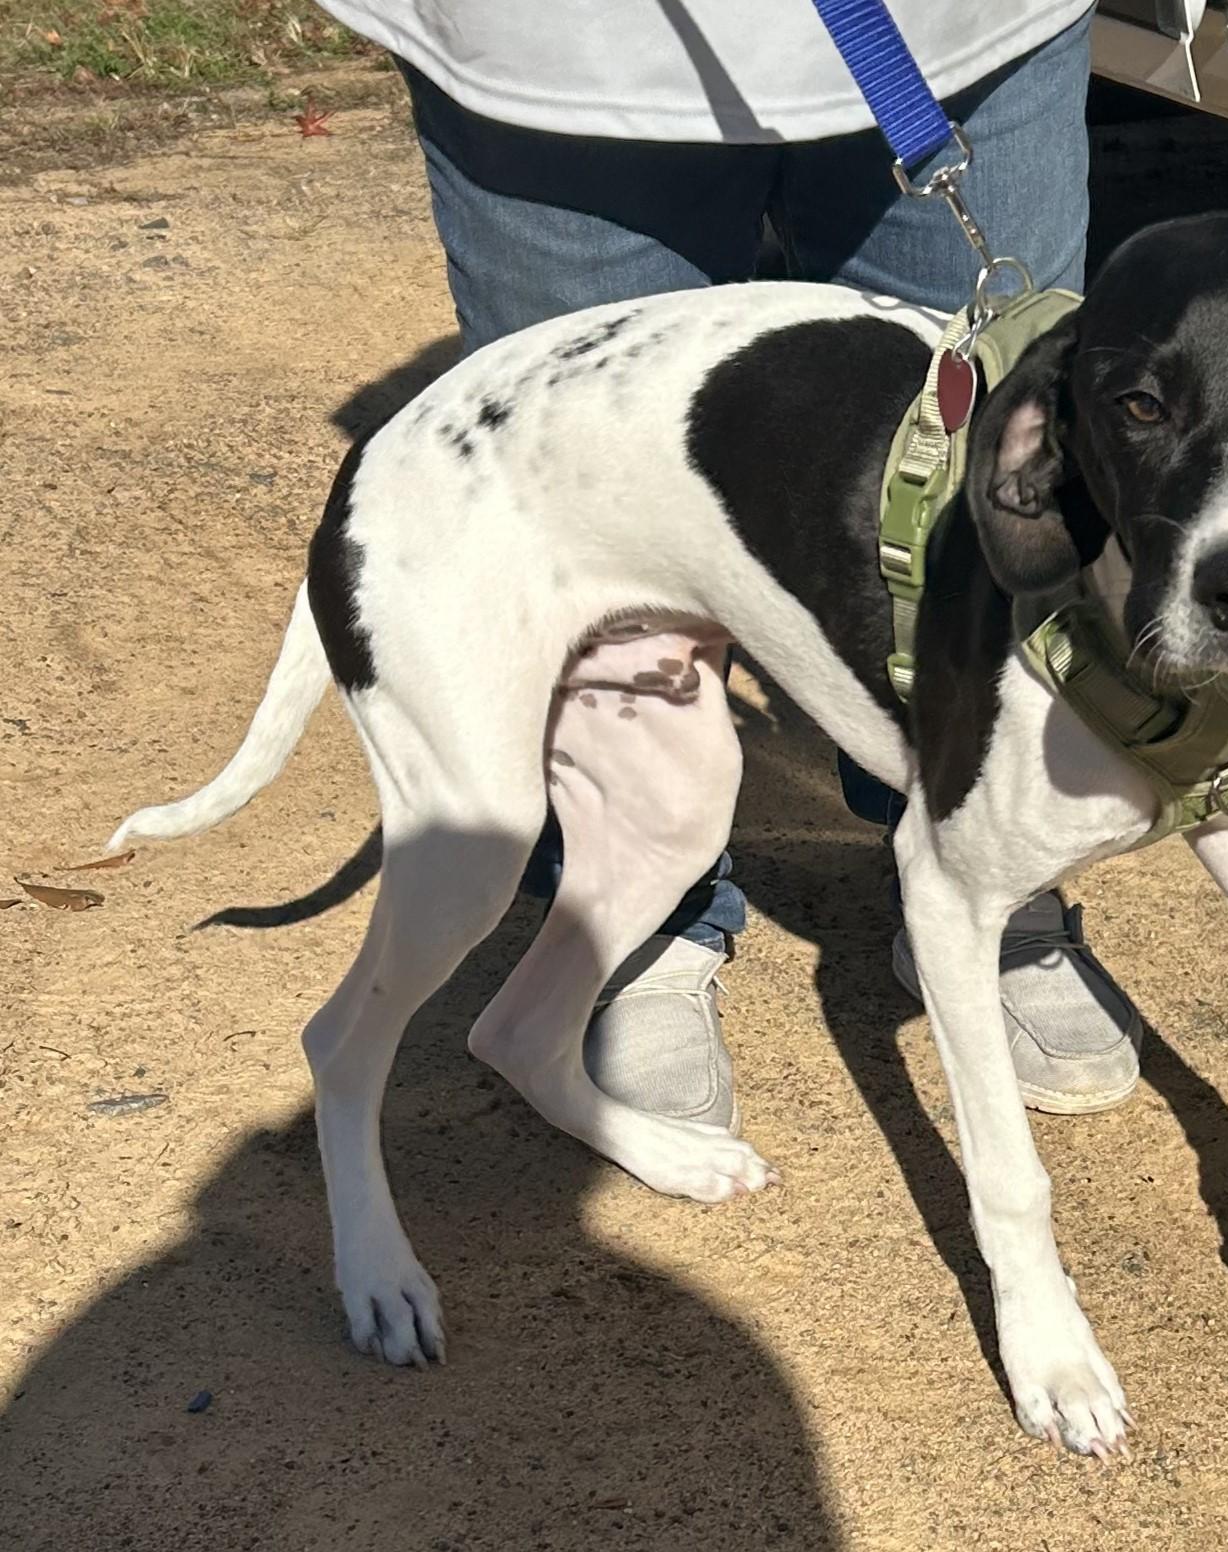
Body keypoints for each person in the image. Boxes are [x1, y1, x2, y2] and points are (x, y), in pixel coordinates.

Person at [317, 0, 1142, 1132]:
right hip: (569, 51)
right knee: (592, 564)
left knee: (1016, 537)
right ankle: (632, 913)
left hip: (965, 29)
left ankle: (1003, 879)